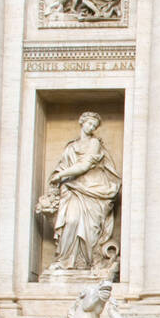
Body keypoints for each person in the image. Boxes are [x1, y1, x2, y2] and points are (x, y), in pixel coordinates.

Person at [44, 111, 121, 273]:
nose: (91, 127)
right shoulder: (71, 146)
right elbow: (63, 165)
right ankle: (64, 260)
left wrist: (60, 176)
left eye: (94, 125)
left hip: (93, 189)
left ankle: (87, 262)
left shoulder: (94, 144)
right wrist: (59, 177)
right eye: (89, 123)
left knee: (91, 229)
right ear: (82, 122)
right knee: (71, 221)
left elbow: (84, 166)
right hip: (73, 189)